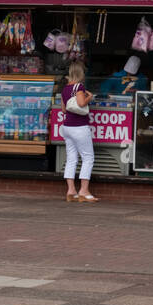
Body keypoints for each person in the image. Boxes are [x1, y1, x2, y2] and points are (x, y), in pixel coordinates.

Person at [59, 61, 98, 203]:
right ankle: (84, 191)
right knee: (88, 158)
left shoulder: (65, 89)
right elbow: (81, 103)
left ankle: (71, 191)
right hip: (79, 127)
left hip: (67, 127)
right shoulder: (79, 87)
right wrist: (90, 97)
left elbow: (63, 109)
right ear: (81, 73)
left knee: (71, 158)